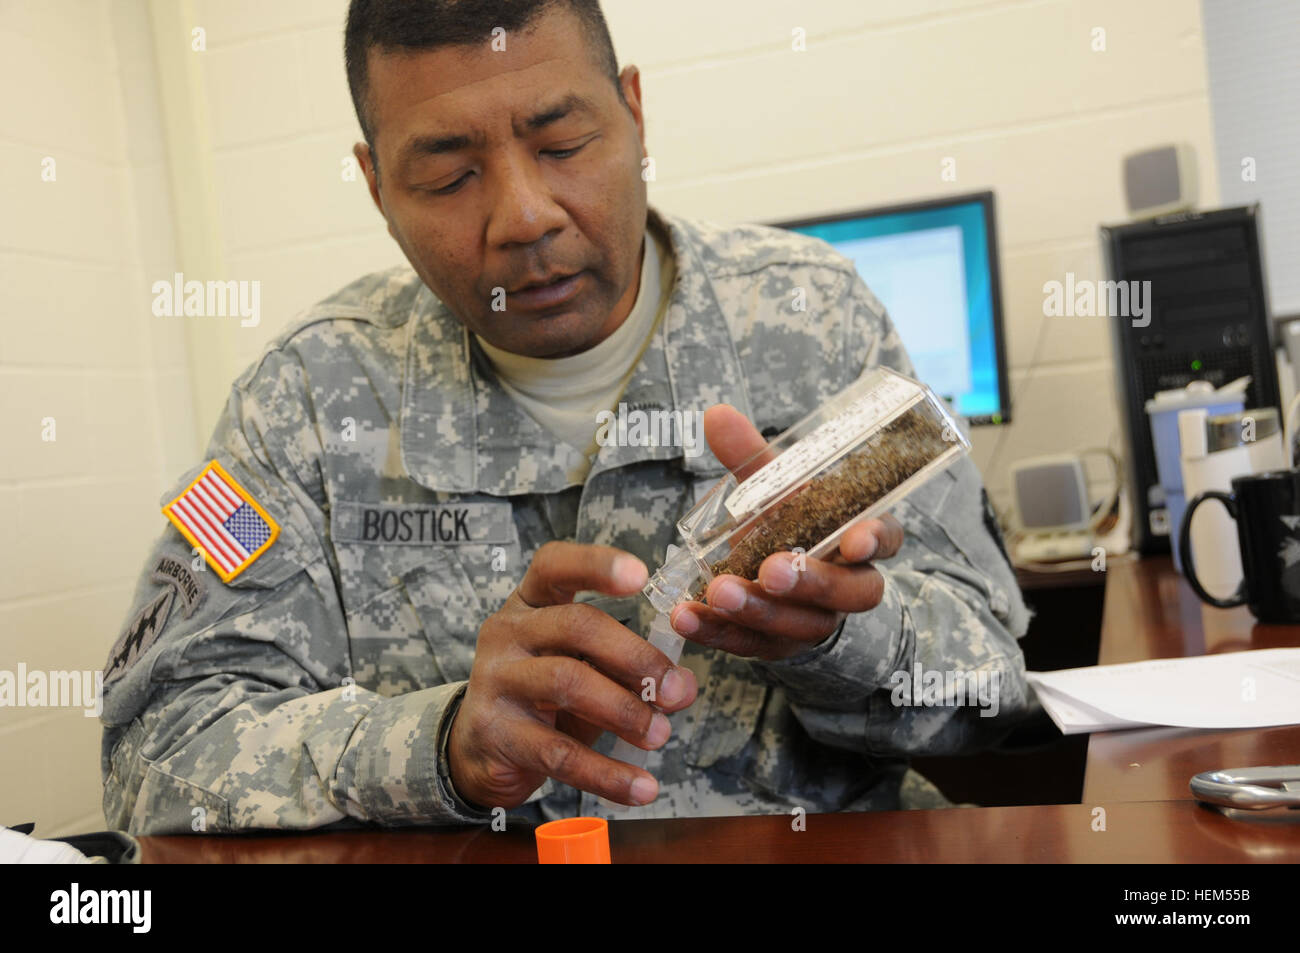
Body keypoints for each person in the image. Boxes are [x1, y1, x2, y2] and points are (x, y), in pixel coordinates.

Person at [100, 0, 1031, 835]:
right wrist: (436, 745)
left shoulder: (815, 319)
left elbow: (997, 704)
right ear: (379, 188)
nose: (524, 215)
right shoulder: (302, 399)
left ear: (632, 112)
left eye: (560, 144)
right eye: (450, 174)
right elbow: (153, 754)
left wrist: (836, 637)